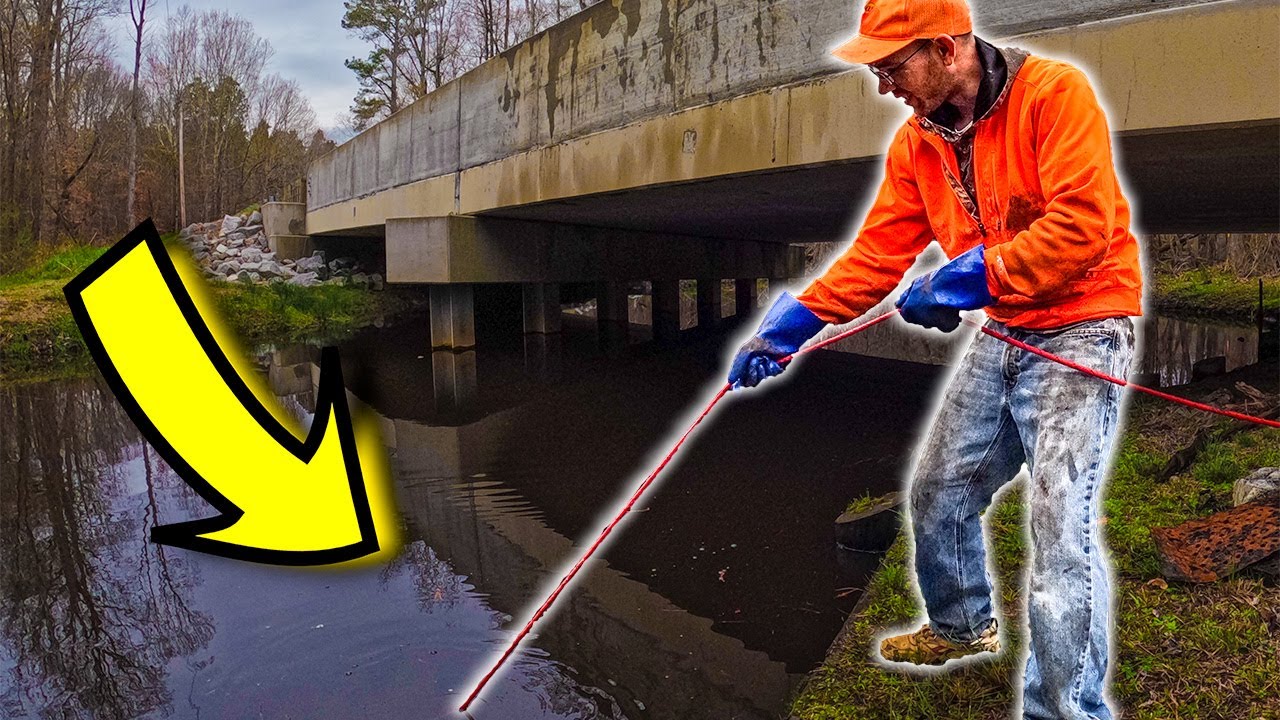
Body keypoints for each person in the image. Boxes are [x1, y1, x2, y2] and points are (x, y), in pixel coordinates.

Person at [727, 1, 1142, 718]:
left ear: (946, 50)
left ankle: (1066, 709)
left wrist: (970, 278)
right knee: (939, 490)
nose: (883, 85)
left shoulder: (1054, 95)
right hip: (1009, 328)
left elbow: (1081, 228)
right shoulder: (917, 144)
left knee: (1060, 535)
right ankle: (961, 625)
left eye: (892, 67)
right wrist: (798, 322)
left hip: (1085, 325)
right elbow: (877, 253)